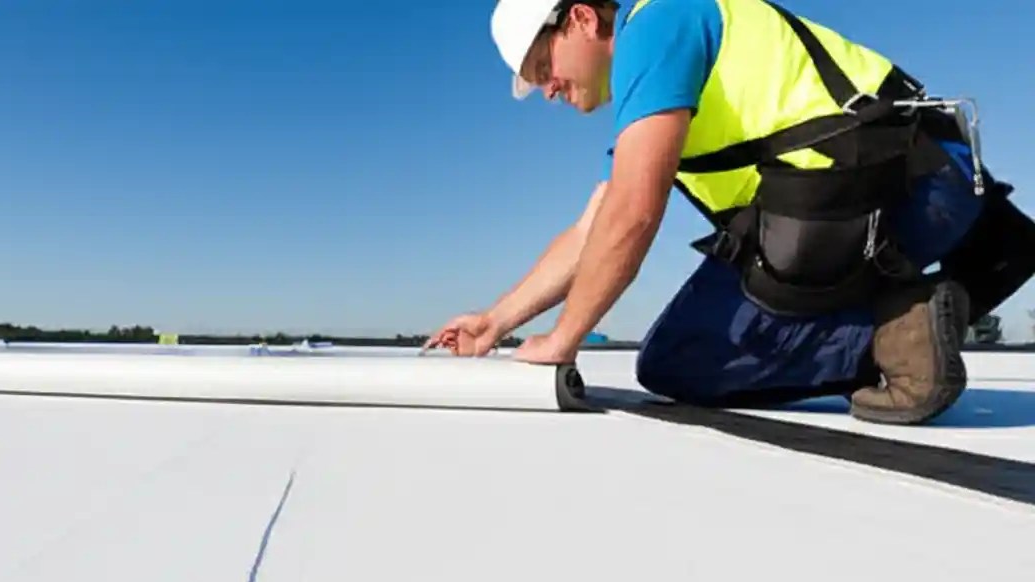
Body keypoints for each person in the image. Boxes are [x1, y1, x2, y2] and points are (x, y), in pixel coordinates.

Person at [422, 0, 1035, 424]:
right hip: (910, 186)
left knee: (680, 361)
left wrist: (564, 340)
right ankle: (930, 295)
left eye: (542, 70)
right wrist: (495, 321)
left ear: (580, 18)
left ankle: (898, 332)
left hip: (900, 189)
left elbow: (634, 214)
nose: (548, 90)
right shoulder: (659, 62)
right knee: (679, 353)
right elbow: (597, 225)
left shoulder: (655, 30)